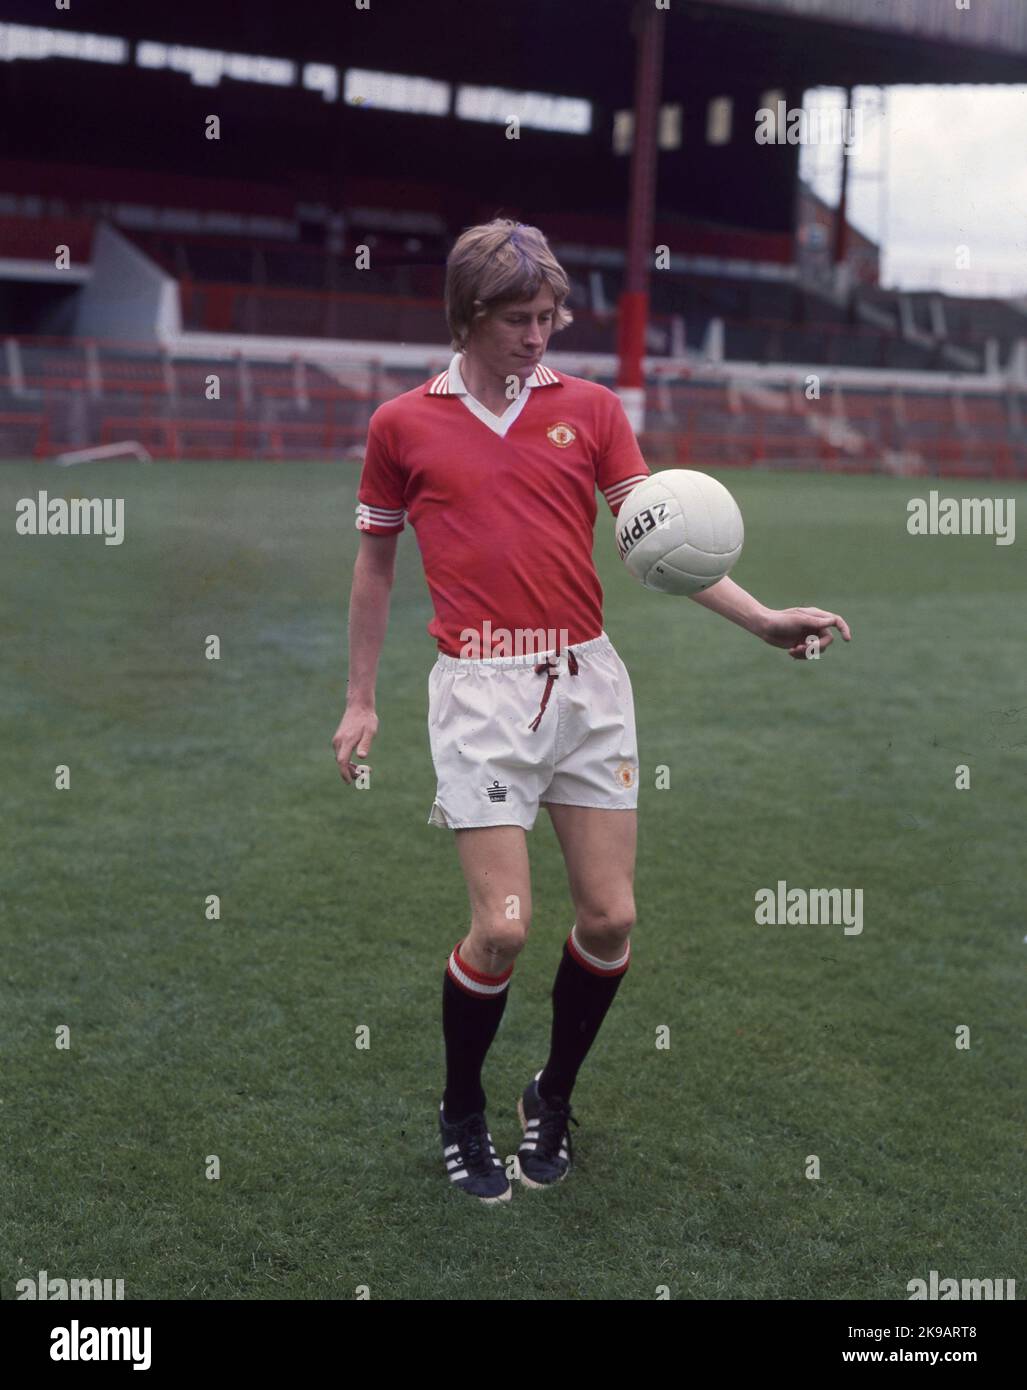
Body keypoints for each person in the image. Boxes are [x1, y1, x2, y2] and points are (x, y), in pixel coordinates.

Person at [332, 219, 851, 1203]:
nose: (541, 335)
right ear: (468, 316)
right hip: (478, 691)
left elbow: (662, 542)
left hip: (587, 683)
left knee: (609, 917)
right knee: (504, 929)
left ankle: (551, 1094)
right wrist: (360, 699)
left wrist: (764, 620)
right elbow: (373, 563)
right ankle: (459, 1107)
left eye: (552, 315)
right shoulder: (401, 425)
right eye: (521, 318)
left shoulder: (595, 410)